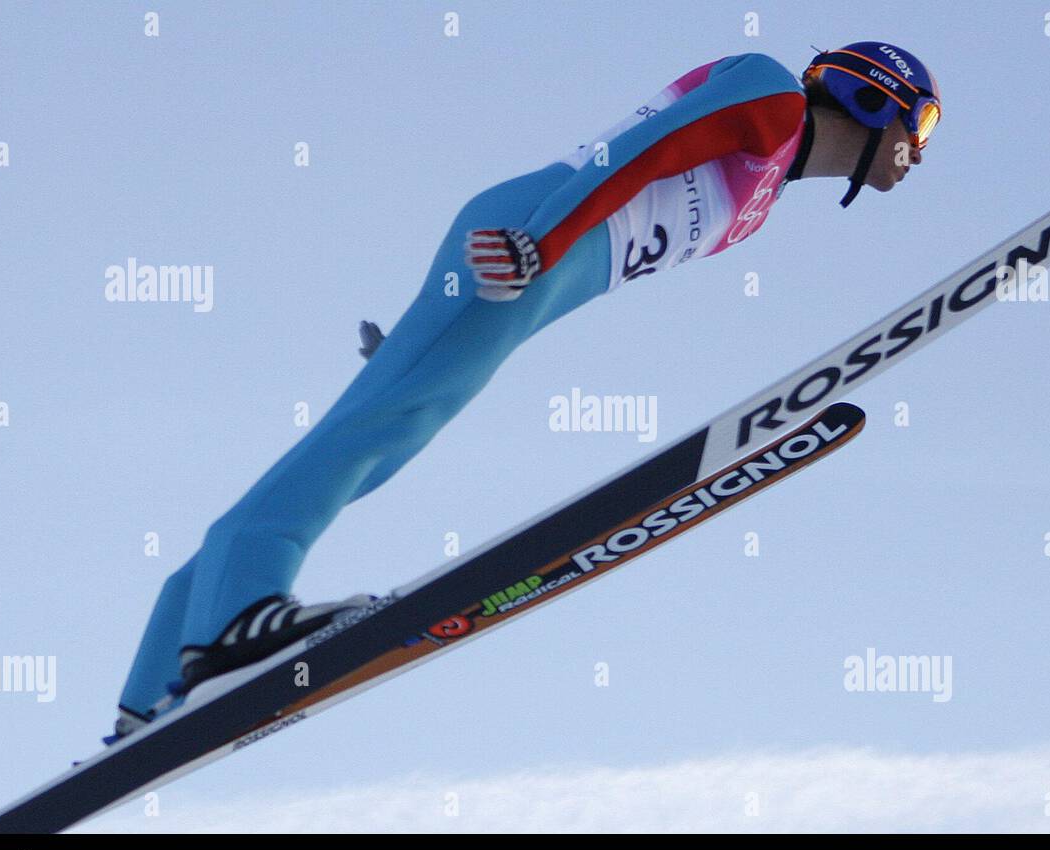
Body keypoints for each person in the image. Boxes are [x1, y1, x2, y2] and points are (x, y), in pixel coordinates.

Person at [108, 41, 942, 742]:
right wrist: (540, 241)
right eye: (923, 124)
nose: (921, 152)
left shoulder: (766, 199)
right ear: (878, 99)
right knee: (377, 430)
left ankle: (156, 693)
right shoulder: (773, 94)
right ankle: (231, 629)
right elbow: (644, 150)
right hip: (534, 238)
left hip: (551, 259)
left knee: (372, 442)